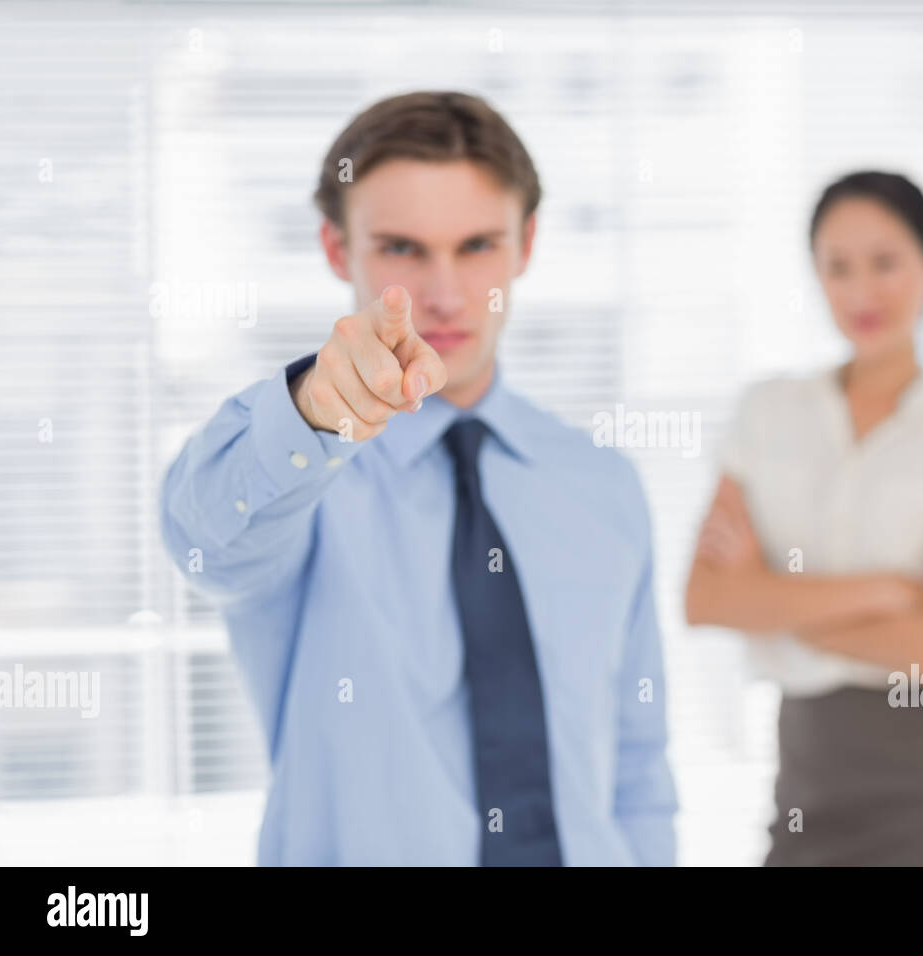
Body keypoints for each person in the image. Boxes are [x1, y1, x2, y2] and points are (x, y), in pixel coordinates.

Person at [159, 91, 677, 866]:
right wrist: (311, 413)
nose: (441, 293)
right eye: (401, 248)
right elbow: (204, 535)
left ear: (526, 244)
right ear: (338, 250)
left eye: (476, 246)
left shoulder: (602, 484)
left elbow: (637, 767)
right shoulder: (301, 474)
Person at [685, 171, 923, 866]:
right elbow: (705, 599)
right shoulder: (767, 412)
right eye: (837, 267)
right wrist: (881, 592)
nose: (860, 290)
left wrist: (769, 598)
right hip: (805, 774)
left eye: (885, 262)